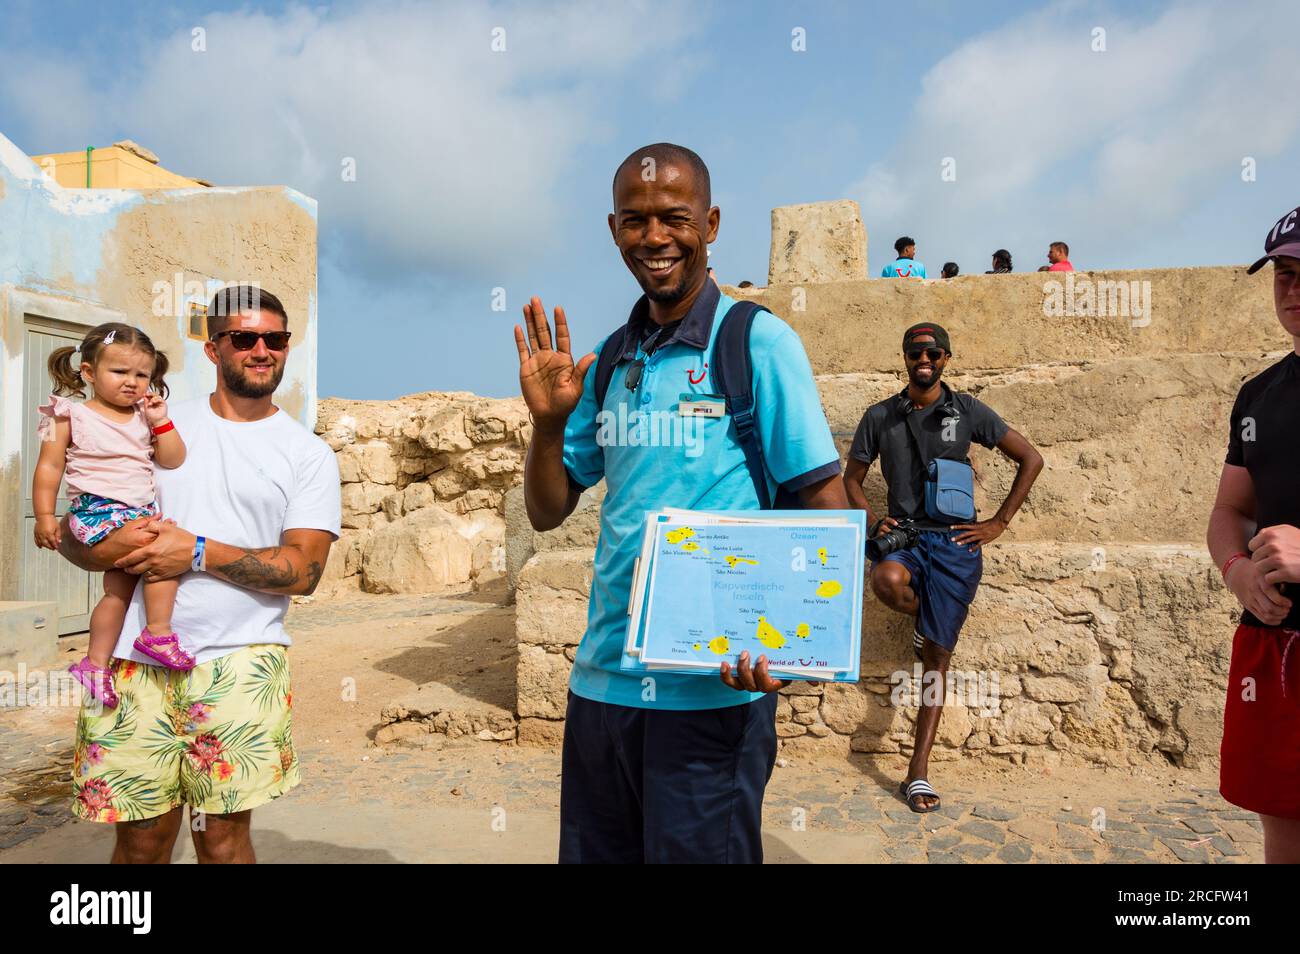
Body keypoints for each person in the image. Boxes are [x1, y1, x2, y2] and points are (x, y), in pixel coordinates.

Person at [514, 142, 846, 863]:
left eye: (674, 218)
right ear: (613, 230)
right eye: (635, 221)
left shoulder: (756, 343)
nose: (655, 238)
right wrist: (546, 426)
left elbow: (825, 495)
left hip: (710, 697)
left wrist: (794, 643)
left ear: (712, 222)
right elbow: (548, 510)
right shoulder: (609, 361)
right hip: (602, 685)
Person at [57, 285, 341, 864]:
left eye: (275, 339)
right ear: (214, 350)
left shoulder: (307, 454)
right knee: (140, 842)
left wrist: (194, 551)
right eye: (244, 338)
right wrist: (90, 550)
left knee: (222, 840)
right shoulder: (151, 424)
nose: (262, 350)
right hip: (132, 664)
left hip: (240, 663)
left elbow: (304, 570)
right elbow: (76, 525)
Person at [842, 323, 1042, 813]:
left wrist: (998, 522)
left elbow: (1031, 458)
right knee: (884, 579)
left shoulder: (967, 410)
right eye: (915, 352)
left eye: (933, 352)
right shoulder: (880, 416)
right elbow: (852, 478)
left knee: (936, 663)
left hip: (955, 543)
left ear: (947, 358)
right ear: (905, 358)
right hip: (907, 539)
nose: (923, 358)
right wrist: (872, 522)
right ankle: (922, 621)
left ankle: (917, 774)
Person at [32, 324, 191, 711]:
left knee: (119, 591)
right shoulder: (67, 415)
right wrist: (44, 516)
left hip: (136, 512)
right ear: (88, 372)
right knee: (162, 555)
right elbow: (49, 468)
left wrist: (160, 420)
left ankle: (95, 664)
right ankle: (157, 633)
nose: (132, 382)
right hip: (97, 510)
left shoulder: (143, 415)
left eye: (142, 375)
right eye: (120, 372)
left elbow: (173, 458)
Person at [1208, 202, 1300, 863]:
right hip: (1276, 649)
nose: (1292, 291)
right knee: (1283, 830)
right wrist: (1237, 570)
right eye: (1283, 275)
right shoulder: (1258, 397)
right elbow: (1230, 511)